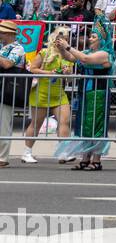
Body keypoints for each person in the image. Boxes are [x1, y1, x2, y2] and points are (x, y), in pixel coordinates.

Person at [52, 19, 116, 170]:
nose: (90, 39)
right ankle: (85, 158)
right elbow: (71, 58)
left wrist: (68, 46)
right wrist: (61, 48)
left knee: (97, 125)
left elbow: (85, 59)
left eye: (94, 36)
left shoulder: (105, 54)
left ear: (101, 40)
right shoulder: (87, 52)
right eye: (90, 36)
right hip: (85, 93)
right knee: (84, 125)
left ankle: (96, 160)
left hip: (98, 93)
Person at [22, 26, 74, 164]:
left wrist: (67, 73)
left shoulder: (68, 56)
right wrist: (48, 73)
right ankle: (27, 153)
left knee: (65, 121)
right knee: (36, 124)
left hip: (59, 93)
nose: (64, 41)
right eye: (62, 38)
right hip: (41, 92)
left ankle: (63, 152)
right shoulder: (44, 52)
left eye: (67, 39)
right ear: (55, 39)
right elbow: (32, 69)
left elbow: (69, 79)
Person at [0, 19, 29, 168]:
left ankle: (2, 157)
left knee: (3, 123)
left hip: (6, 89)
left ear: (8, 34)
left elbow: (7, 64)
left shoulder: (18, 48)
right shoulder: (2, 46)